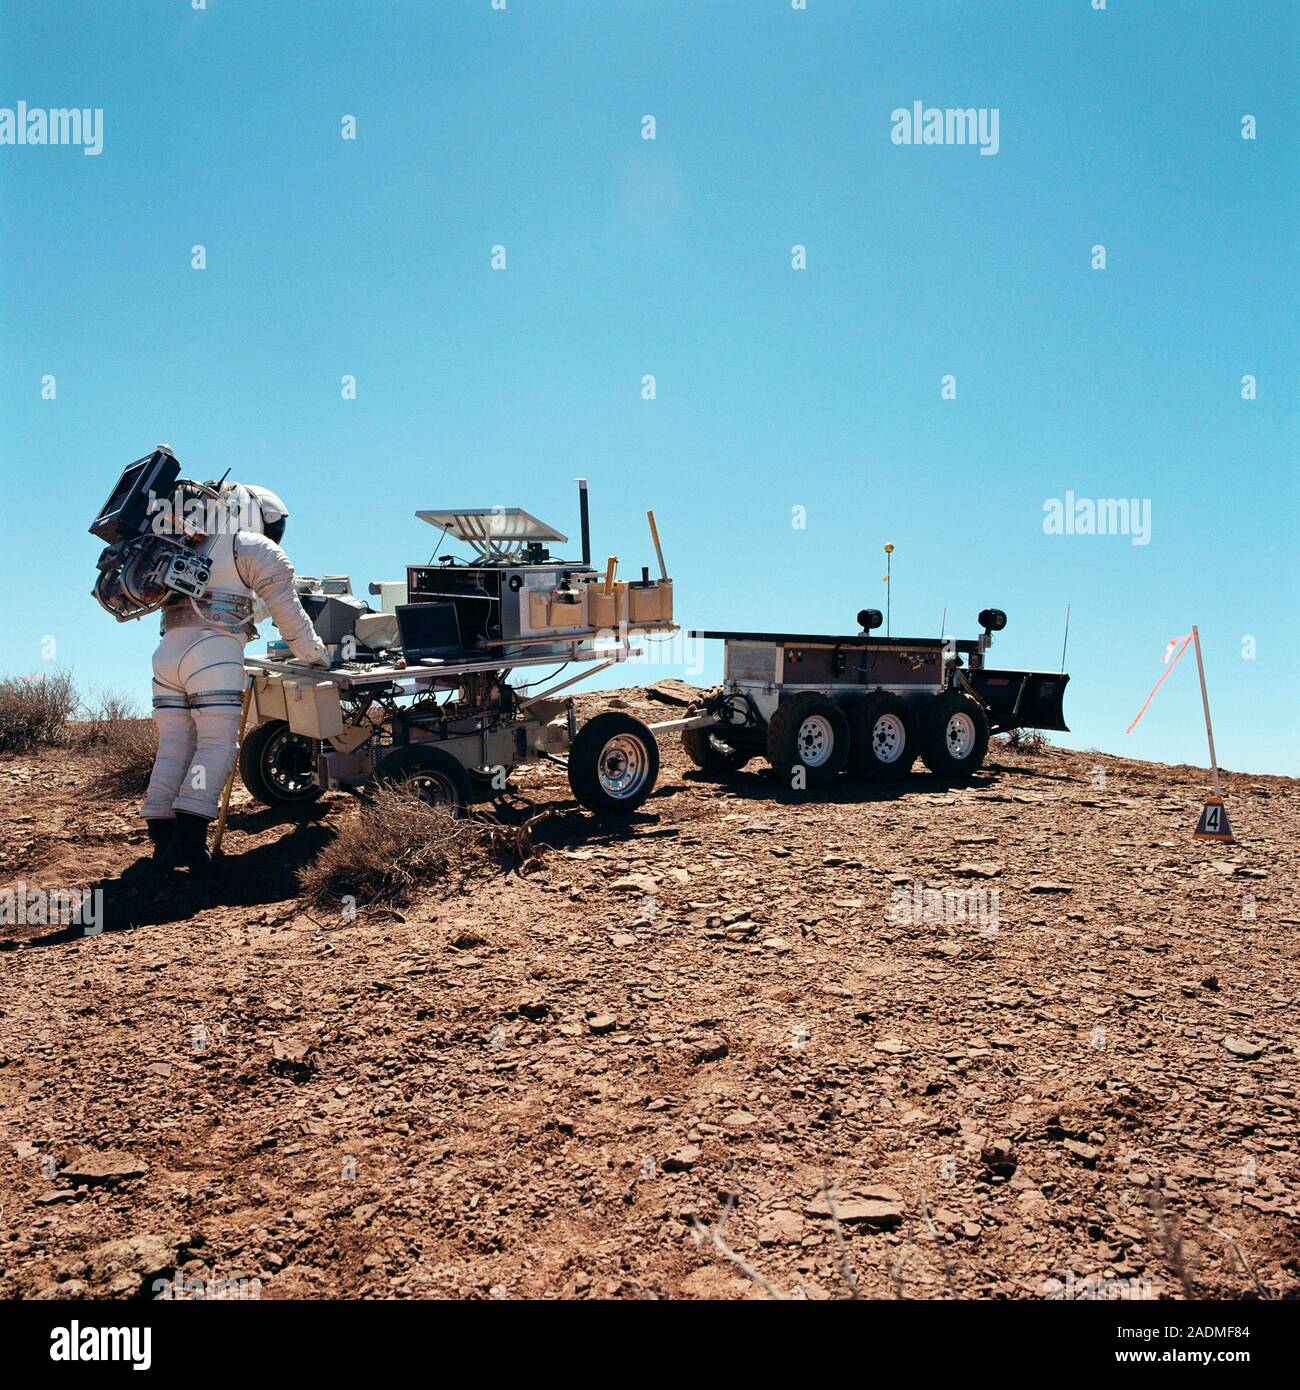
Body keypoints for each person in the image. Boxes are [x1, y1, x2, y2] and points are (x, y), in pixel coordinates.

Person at [138, 483, 328, 874]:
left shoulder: (188, 544)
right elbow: (289, 618)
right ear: (253, 512)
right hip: (212, 656)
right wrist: (317, 657)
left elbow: (228, 603)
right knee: (216, 746)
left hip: (167, 656)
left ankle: (162, 841)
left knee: (174, 745)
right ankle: (189, 843)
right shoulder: (254, 548)